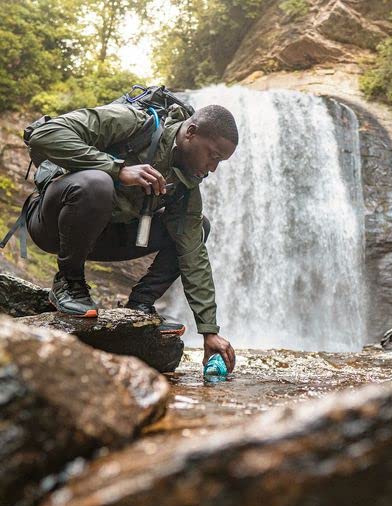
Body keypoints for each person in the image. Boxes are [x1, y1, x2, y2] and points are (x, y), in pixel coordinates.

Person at [25, 101, 237, 371]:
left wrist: (209, 331)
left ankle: (140, 306)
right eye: (213, 155)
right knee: (96, 183)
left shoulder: (184, 186)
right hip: (52, 224)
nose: (213, 168)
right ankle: (69, 283)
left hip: (105, 237)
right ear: (191, 132)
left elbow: (193, 255)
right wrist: (116, 169)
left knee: (198, 228)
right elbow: (44, 135)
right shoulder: (132, 122)